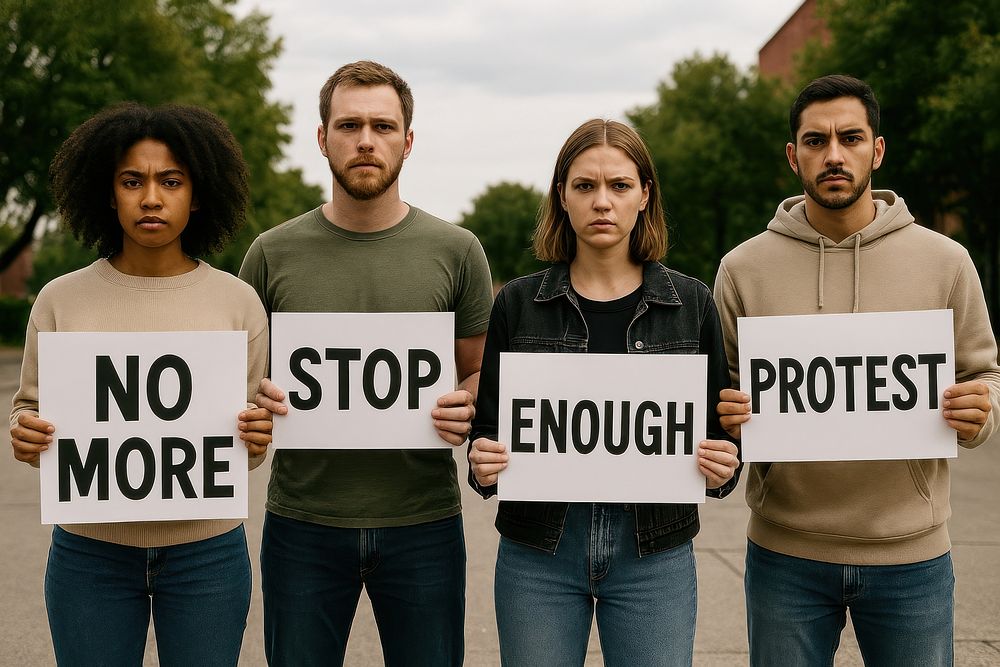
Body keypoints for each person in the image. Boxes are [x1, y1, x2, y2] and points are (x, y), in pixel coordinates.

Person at [714, 74, 1000, 666]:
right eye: (816, 141)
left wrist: (983, 413)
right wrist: (730, 419)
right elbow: (721, 392)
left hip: (913, 557)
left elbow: (985, 375)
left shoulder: (945, 261)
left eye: (850, 137)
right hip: (784, 555)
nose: (834, 155)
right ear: (794, 156)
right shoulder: (744, 268)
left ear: (878, 149)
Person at [239, 60, 493, 666]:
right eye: (349, 125)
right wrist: (261, 402)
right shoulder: (271, 254)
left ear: (407, 141)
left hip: (423, 522)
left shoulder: (457, 252)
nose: (365, 141)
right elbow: (240, 381)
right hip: (303, 522)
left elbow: (481, 374)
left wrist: (469, 403)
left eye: (383, 126)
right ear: (322, 138)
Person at [468, 118, 741, 666]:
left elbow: (721, 442)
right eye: (585, 186)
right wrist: (482, 461)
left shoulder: (692, 304)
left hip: (655, 551)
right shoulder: (517, 305)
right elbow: (487, 435)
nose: (602, 202)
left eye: (619, 186)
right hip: (539, 549)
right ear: (562, 198)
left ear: (645, 196)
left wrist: (724, 463)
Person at [8, 102, 271, 666]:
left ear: (197, 196)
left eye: (170, 181)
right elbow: (28, 411)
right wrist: (25, 434)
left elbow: (246, 441)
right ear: (108, 193)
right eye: (133, 181)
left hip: (208, 554)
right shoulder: (59, 299)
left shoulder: (238, 301)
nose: (151, 197)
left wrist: (255, 435)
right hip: (89, 554)